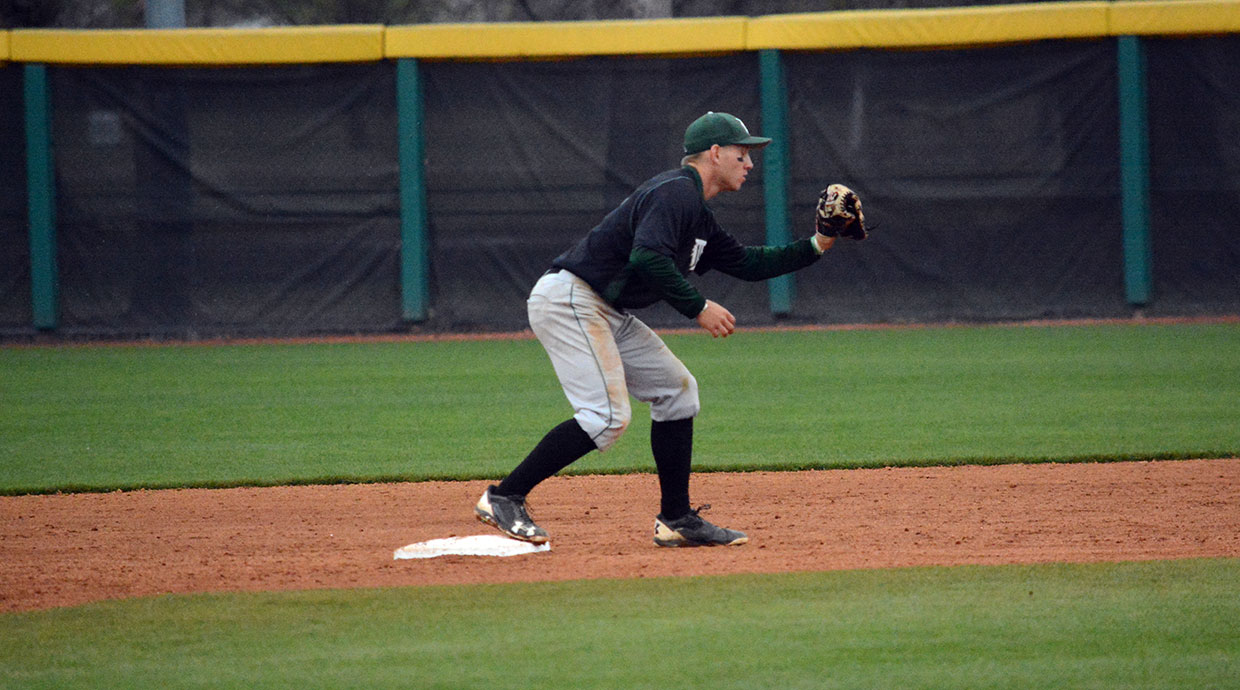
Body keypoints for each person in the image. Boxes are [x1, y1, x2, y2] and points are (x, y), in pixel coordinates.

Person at [475, 111, 837, 547]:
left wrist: (820, 243)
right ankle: (505, 496)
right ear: (715, 153)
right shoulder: (675, 193)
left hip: (603, 307)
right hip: (572, 298)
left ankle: (677, 519)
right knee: (606, 417)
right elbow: (648, 257)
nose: (749, 164)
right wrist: (698, 306)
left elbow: (748, 263)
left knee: (677, 390)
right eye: (742, 154)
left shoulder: (696, 213)